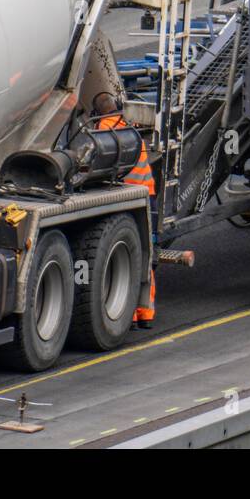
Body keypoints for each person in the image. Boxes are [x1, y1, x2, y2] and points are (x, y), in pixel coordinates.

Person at [93, 93, 158, 329]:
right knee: (145, 256)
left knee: (124, 258)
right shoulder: (130, 129)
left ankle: (128, 315)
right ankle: (146, 313)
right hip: (147, 197)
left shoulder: (102, 131)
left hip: (124, 199)